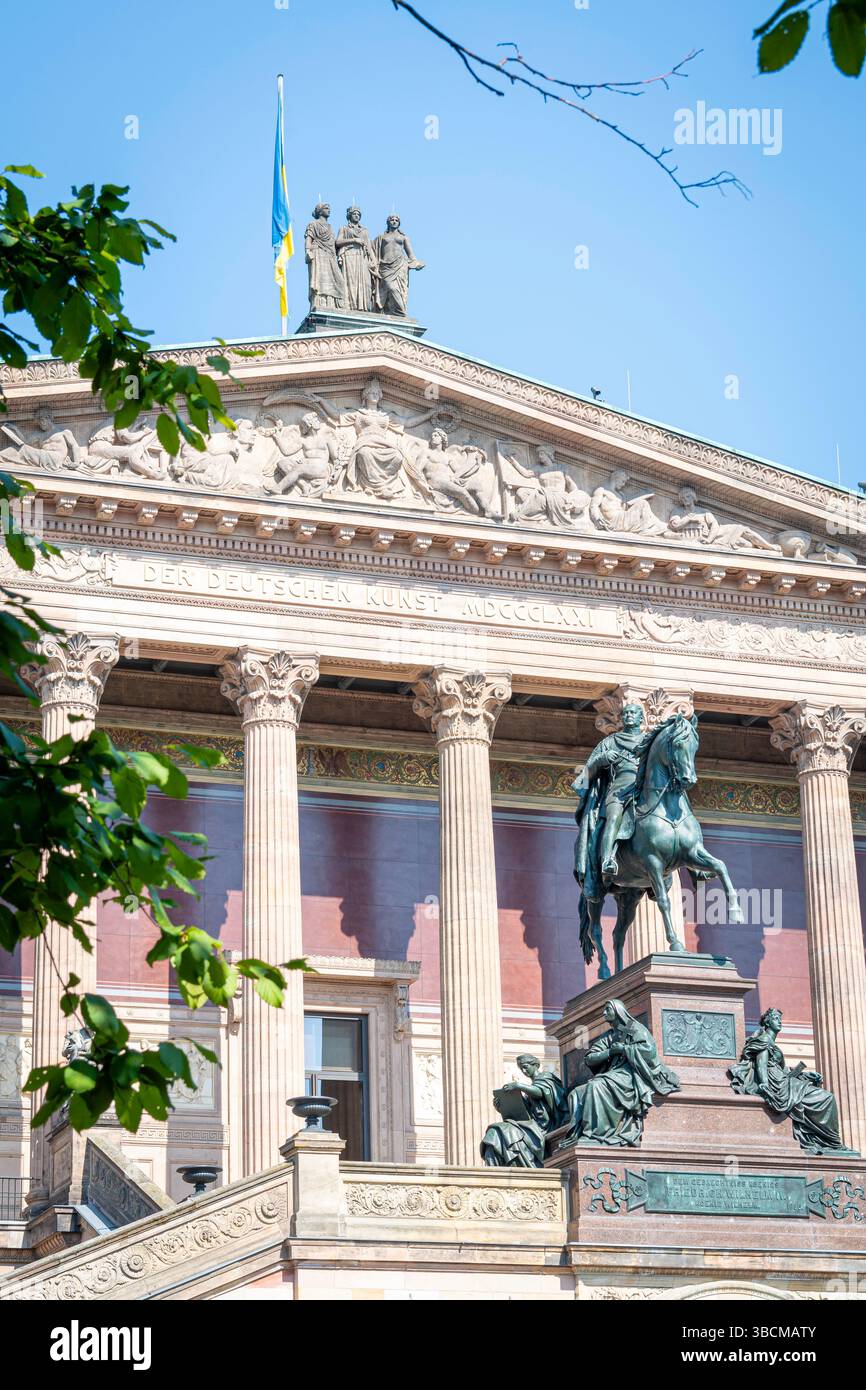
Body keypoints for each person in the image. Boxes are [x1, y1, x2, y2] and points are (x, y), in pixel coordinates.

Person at [729, 1007, 851, 1154]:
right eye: (775, 1018)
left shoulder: (772, 1043)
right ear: (767, 1023)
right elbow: (761, 1065)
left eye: (780, 1019)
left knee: (826, 1098)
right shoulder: (765, 1040)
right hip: (777, 1085)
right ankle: (830, 1141)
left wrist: (805, 1075)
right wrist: (765, 1085)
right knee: (826, 1098)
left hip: (782, 1080)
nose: (779, 1021)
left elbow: (781, 1070)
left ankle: (827, 1141)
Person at [564, 1000, 680, 1146]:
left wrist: (625, 1049)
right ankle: (576, 1136)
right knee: (576, 1093)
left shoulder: (636, 1029)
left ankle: (597, 1134)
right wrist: (610, 1052)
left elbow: (649, 1052)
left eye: (607, 1010)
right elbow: (590, 1058)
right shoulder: (609, 1035)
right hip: (616, 1074)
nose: (604, 1013)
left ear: (618, 1011)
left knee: (597, 1085)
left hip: (633, 1073)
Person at [573, 702, 657, 882]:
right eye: (626, 713)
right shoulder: (610, 742)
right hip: (619, 790)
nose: (629, 716)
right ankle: (607, 860)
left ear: (641, 718)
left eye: (633, 713)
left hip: (647, 788)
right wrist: (601, 760)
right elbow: (583, 776)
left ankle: (693, 867)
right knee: (613, 818)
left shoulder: (650, 742)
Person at [480, 1054, 565, 1167]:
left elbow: (540, 1092)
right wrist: (501, 1108)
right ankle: (494, 1173)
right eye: (521, 1069)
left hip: (544, 1126)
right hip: (531, 1125)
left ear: (535, 1065)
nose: (524, 1071)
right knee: (495, 1131)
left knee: (500, 1131)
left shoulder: (546, 1077)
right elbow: (524, 1113)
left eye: (525, 1067)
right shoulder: (531, 1088)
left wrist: (518, 1086)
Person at [373, 214, 424, 316]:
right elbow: (374, 252)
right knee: (389, 288)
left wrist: (417, 263)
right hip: (385, 267)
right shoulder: (381, 237)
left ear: (399, 223)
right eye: (392, 220)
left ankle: (400, 312)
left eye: (396, 220)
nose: (394, 221)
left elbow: (411, 255)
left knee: (395, 289)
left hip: (399, 265)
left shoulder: (403, 237)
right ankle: (391, 311)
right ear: (388, 222)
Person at [305, 203, 346, 310]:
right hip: (318, 252)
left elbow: (333, 243)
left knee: (339, 281)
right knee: (321, 279)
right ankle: (321, 302)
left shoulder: (330, 226)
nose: (329, 210)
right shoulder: (313, 224)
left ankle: (332, 303)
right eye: (326, 208)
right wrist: (308, 251)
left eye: (329, 209)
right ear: (320, 211)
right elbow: (308, 240)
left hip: (330, 255)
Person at [335, 206, 377, 312]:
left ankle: (363, 307)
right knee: (351, 282)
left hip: (363, 258)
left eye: (358, 214)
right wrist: (354, 240)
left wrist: (374, 261)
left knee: (364, 283)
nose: (357, 215)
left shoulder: (364, 231)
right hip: (349, 256)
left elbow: (369, 247)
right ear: (349, 215)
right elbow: (338, 242)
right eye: (354, 213)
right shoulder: (344, 228)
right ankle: (350, 306)